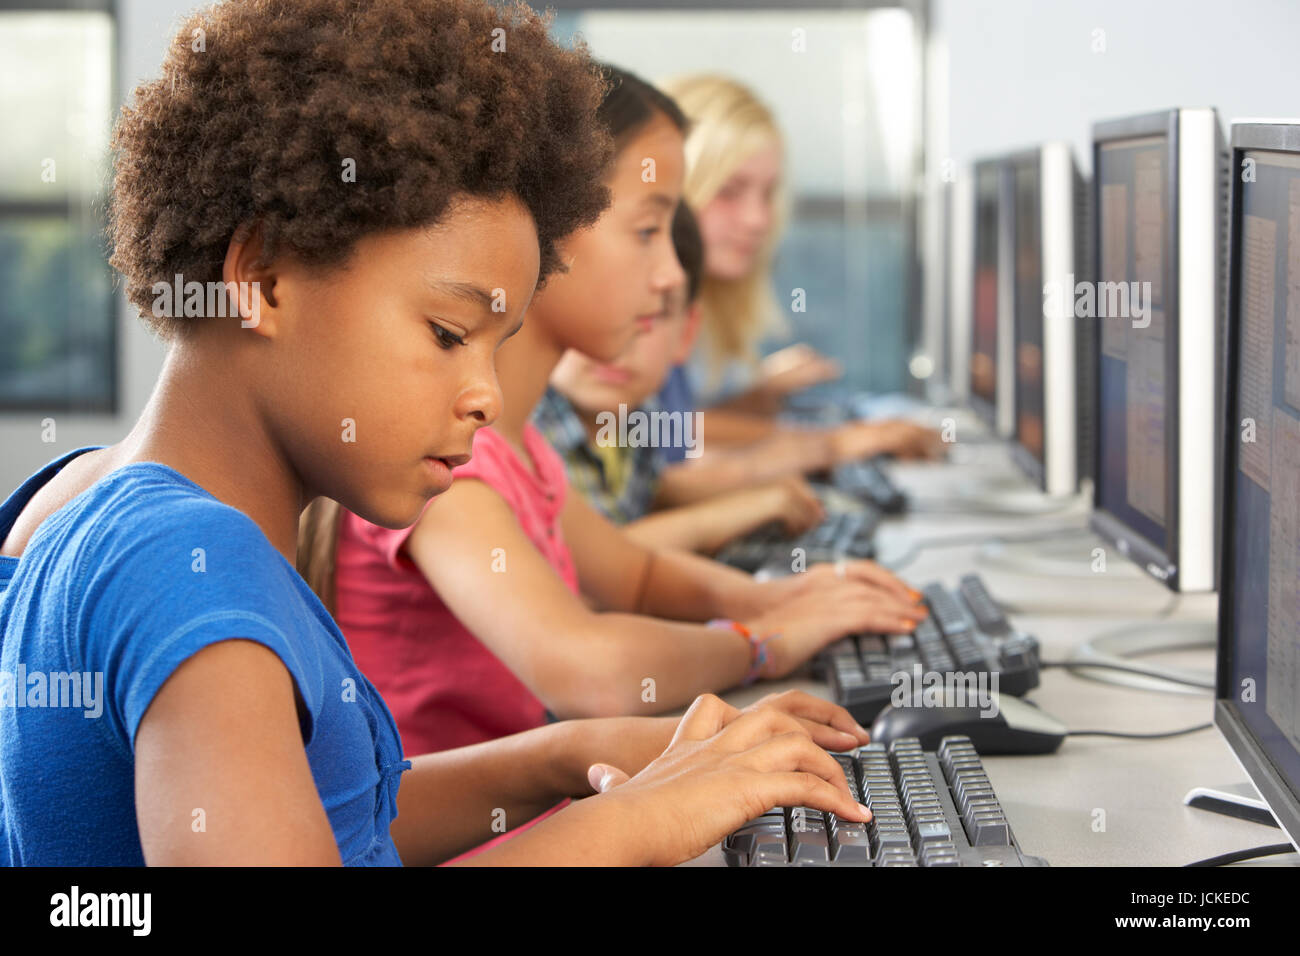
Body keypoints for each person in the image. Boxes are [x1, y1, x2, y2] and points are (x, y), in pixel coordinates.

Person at [0, 0, 873, 867]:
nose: (487, 397)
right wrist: (633, 824)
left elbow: (336, 819)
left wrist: (564, 760)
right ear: (262, 280)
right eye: (449, 335)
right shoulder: (187, 561)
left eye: (502, 346)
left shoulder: (78, 496)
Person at [309, 65, 928, 760]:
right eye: (647, 229)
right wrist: (763, 646)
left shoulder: (522, 450)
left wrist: (781, 600)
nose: (669, 273)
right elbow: (587, 670)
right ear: (548, 227)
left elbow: (637, 575)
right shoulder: (445, 461)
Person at [655, 72, 942, 461]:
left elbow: (671, 426)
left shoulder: (700, 299)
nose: (757, 219)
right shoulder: (635, 303)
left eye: (768, 193)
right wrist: (835, 442)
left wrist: (756, 398)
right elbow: (630, 430)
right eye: (728, 191)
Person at [537, 200, 827, 554]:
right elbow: (583, 569)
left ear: (687, 332)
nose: (620, 338)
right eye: (598, 300)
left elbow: (653, 493)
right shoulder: (532, 426)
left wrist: (756, 488)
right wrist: (739, 508)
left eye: (653, 312)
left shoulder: (638, 411)